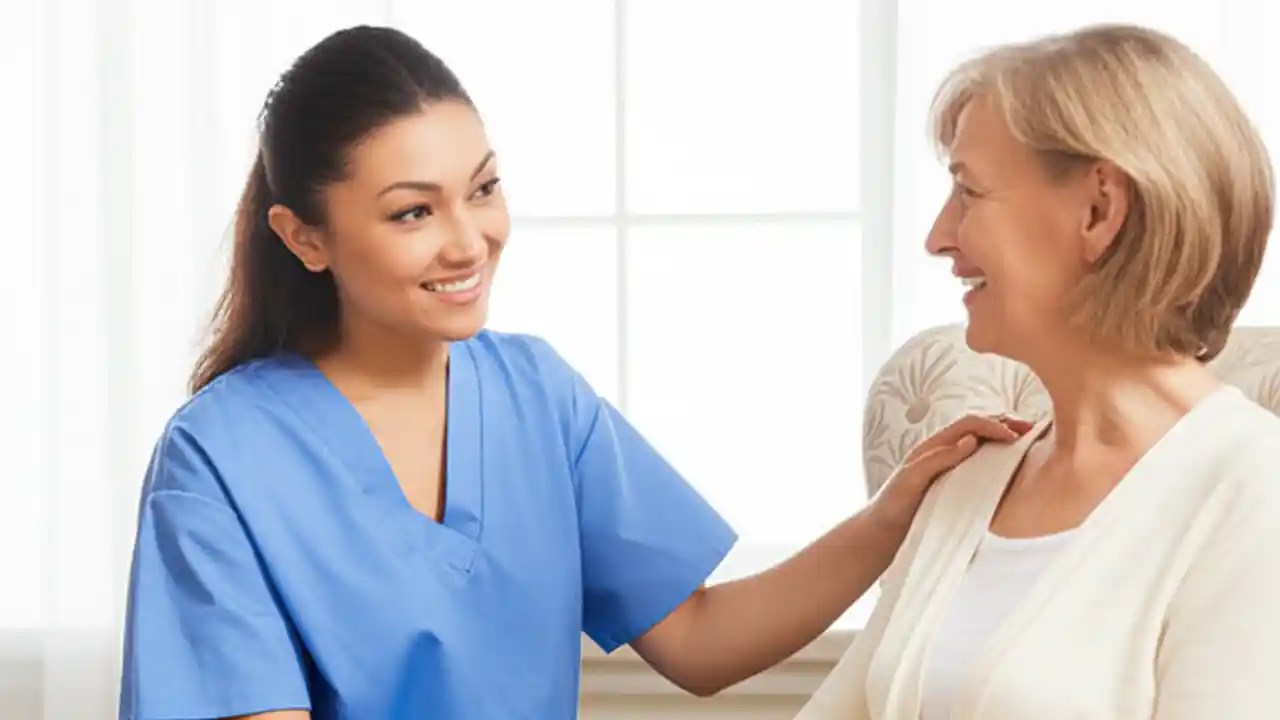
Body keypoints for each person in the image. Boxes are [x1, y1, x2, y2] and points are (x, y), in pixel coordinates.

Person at [116, 26, 1027, 720]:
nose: (470, 241)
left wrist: (894, 517)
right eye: (410, 213)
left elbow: (701, 641)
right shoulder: (219, 457)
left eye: (482, 188)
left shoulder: (535, 399)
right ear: (303, 237)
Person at [796, 23, 1280, 720]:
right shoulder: (970, 480)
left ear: (1099, 209)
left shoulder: (1252, 493)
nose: (938, 237)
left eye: (969, 191)